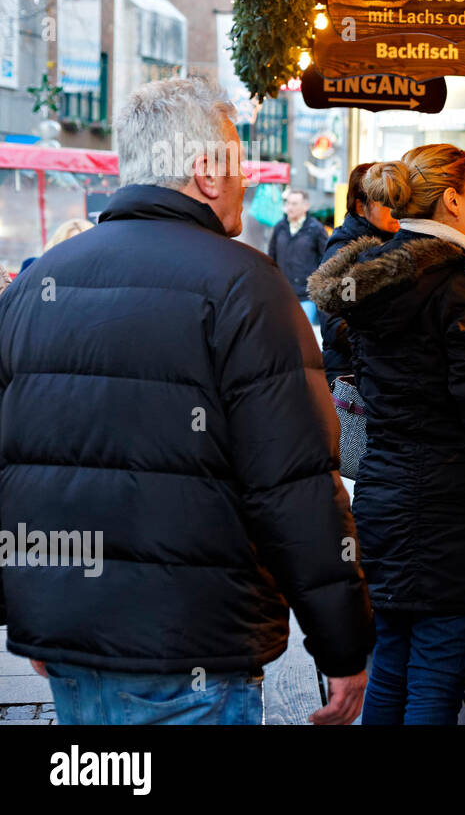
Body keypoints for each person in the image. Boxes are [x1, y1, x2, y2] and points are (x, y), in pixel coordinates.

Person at [0, 77, 373, 725]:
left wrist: (32, 610)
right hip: (190, 653)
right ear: (205, 170)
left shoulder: (37, 287)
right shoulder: (246, 287)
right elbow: (293, 485)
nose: (248, 181)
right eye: (238, 159)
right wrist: (343, 642)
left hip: (68, 651)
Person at [308, 143, 465, 725]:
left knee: (393, 670)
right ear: (451, 200)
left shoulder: (379, 273)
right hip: (454, 517)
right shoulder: (459, 279)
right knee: (432, 689)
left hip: (389, 500)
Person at [319, 162, 400, 386]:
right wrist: (390, 341)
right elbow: (334, 327)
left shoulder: (392, 244)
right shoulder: (345, 252)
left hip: (374, 374)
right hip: (350, 378)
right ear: (360, 206)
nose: (394, 209)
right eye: (384, 202)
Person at [269, 187, 329, 324]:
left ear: (306, 206)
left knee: (301, 335)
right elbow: (271, 258)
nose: (289, 207)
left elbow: (326, 259)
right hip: (282, 294)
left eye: (294, 204)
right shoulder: (280, 227)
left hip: (306, 296)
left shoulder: (316, 229)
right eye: (287, 203)